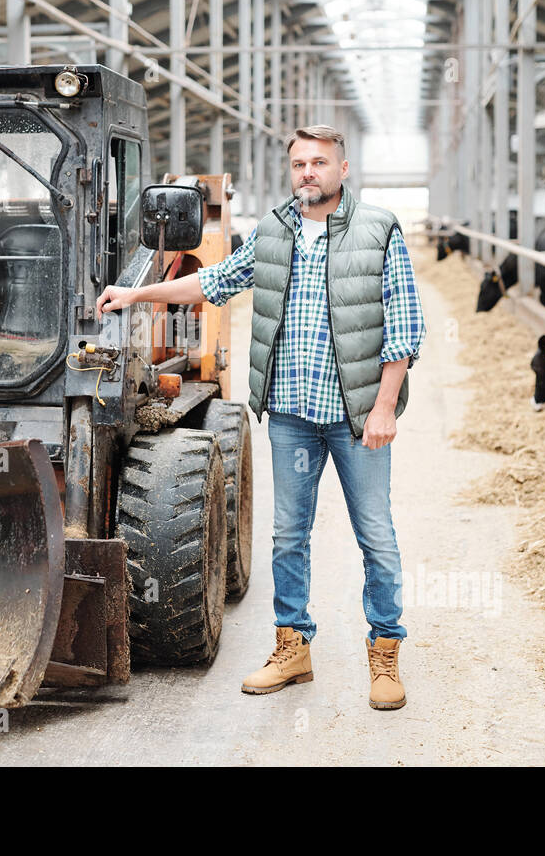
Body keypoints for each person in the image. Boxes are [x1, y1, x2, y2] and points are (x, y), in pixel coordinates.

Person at [95, 124, 426, 710]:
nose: (308, 173)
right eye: (299, 163)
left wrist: (383, 409)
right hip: (293, 417)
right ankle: (292, 649)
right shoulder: (275, 230)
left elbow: (402, 330)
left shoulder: (379, 230)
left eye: (320, 163)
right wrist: (134, 295)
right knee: (287, 537)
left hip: (355, 419)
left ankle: (384, 656)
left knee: (375, 535)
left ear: (342, 170)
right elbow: (215, 282)